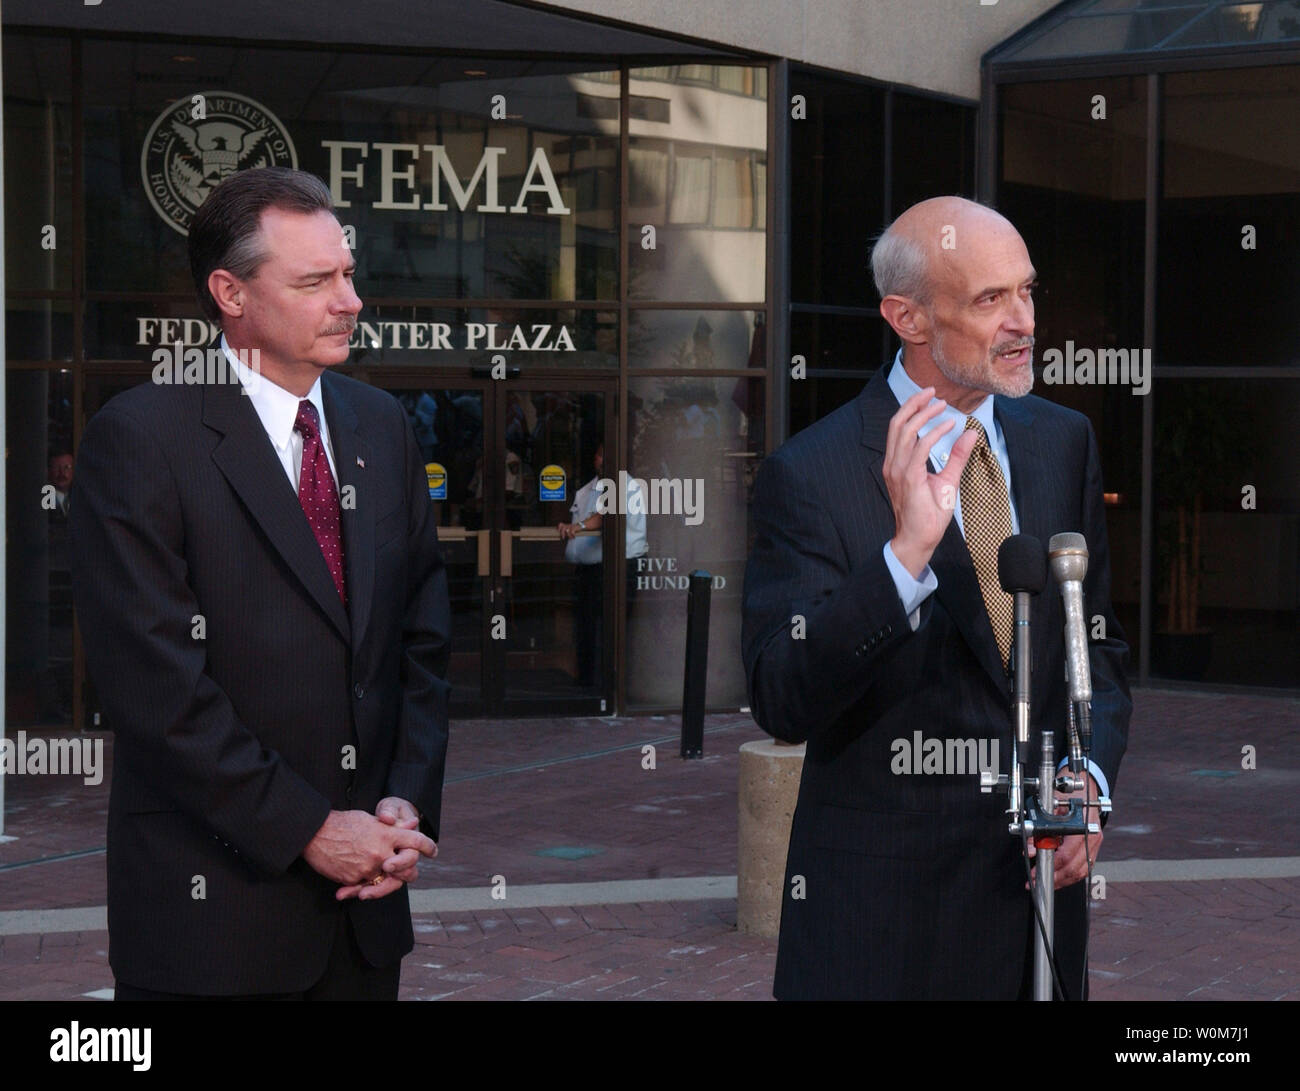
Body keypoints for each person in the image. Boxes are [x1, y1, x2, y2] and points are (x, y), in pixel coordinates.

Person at [70, 167, 451, 1000]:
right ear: (230, 293)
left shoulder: (382, 427)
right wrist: (311, 829)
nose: (349, 301)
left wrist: (405, 805)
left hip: (364, 920)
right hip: (213, 927)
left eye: (348, 273)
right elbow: (159, 694)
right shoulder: (139, 439)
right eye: (315, 282)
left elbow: (421, 642)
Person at [741, 196, 1131, 1000]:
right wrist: (903, 559)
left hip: (1038, 926)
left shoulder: (1063, 441)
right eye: (991, 299)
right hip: (884, 938)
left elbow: (1095, 645)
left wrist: (1087, 780)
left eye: (1027, 290)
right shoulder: (810, 473)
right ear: (907, 318)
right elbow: (783, 695)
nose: (1024, 322)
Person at [558, 441, 647, 686]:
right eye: (600, 455)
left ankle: (611, 688)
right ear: (594, 459)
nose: (604, 461)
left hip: (619, 568)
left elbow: (607, 514)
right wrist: (568, 527)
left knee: (611, 628)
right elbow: (580, 521)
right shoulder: (587, 489)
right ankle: (587, 682)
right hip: (588, 570)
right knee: (586, 627)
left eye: (609, 456)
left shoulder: (626, 485)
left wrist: (578, 526)